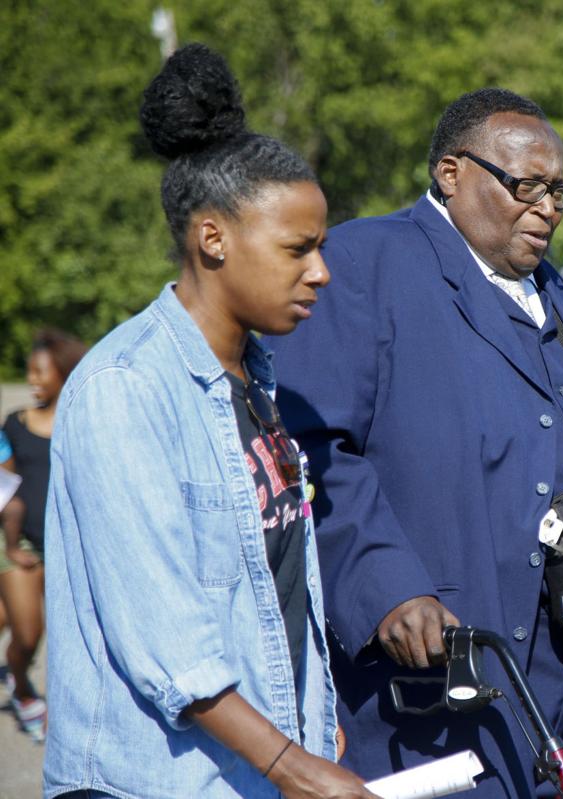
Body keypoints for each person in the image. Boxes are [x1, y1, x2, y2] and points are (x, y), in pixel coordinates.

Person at [267, 87, 563, 799]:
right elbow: (313, 452)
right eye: (526, 185)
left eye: (558, 190)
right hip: (439, 689)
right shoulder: (366, 265)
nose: (548, 207)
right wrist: (388, 588)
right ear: (451, 173)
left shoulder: (558, 294)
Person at [42, 44, 376, 798]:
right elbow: (167, 642)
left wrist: (311, 724)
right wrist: (295, 766)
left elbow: (277, 592)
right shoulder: (125, 390)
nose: (321, 271)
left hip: (254, 771)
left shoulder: (258, 382)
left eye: (320, 247)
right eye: (299, 248)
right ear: (212, 238)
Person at [0, 329, 86, 742]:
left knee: (58, 635)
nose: (32, 379)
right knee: (29, 635)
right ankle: (21, 684)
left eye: (40, 372)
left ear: (65, 374)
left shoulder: (83, 423)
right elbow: (6, 491)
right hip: (20, 545)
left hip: (66, 543)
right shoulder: (14, 425)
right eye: (29, 372)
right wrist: (13, 547)